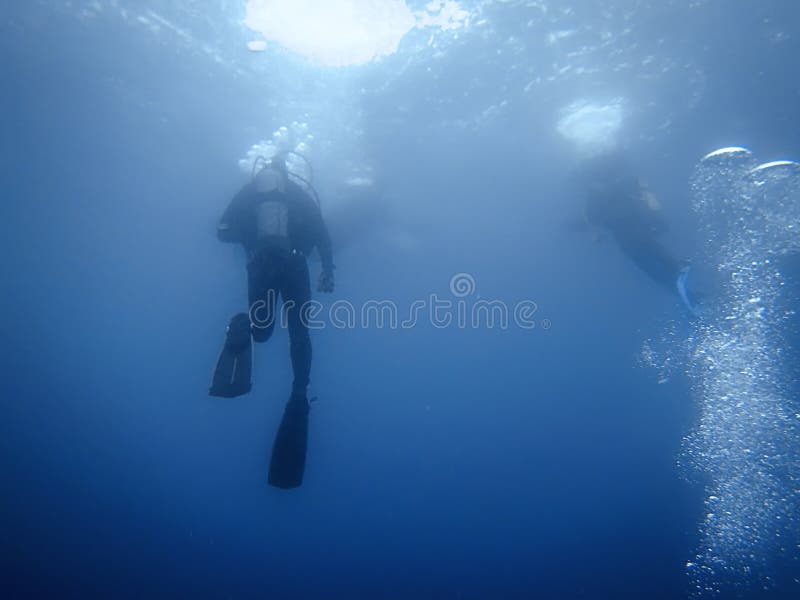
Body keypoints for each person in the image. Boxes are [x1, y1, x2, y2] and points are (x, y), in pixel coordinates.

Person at [210, 153, 335, 489]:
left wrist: (251, 239)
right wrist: (327, 269)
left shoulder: (251, 191)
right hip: (295, 267)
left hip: (261, 267)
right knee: (299, 332)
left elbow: (222, 231)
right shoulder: (297, 192)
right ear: (290, 170)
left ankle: (241, 327)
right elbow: (321, 230)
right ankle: (299, 391)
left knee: (262, 333)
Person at [573, 154, 696, 312]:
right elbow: (648, 201)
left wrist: (595, 234)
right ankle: (679, 277)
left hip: (629, 234)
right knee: (649, 254)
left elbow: (593, 221)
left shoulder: (601, 195)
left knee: (647, 259)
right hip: (635, 230)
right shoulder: (621, 186)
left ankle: (677, 277)